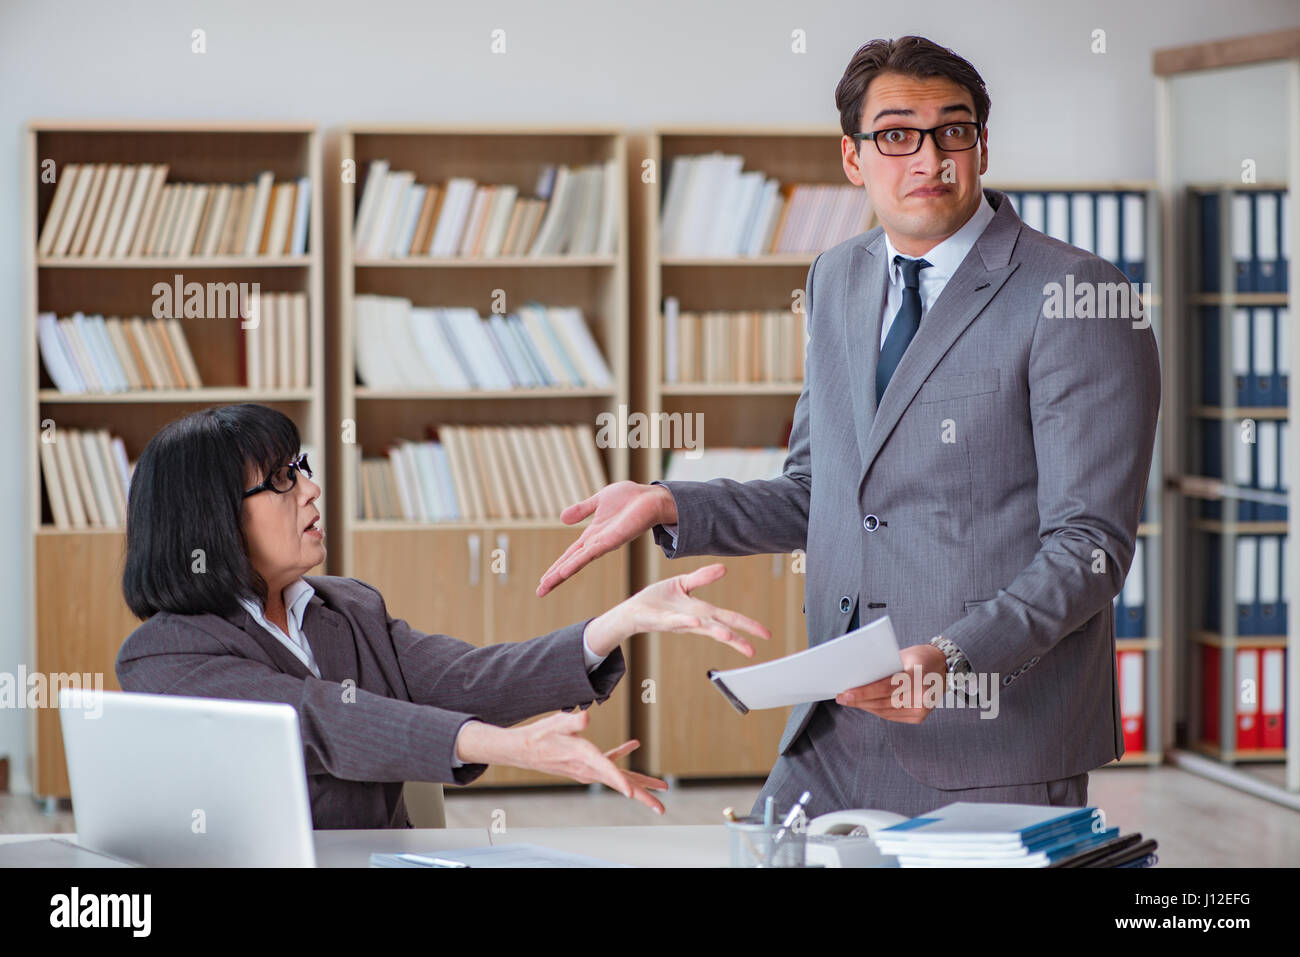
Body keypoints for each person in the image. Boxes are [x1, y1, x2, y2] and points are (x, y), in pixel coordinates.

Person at [536, 35, 1160, 819]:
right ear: (852, 158)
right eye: (897, 135)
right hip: (835, 721)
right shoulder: (838, 276)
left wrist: (951, 659)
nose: (929, 158)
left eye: (953, 131)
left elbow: (1089, 547)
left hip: (988, 731)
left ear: (983, 145)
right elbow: (817, 492)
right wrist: (669, 502)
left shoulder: (1073, 294)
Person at [116, 403, 769, 829]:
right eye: (283, 479)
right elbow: (320, 717)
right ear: (211, 517)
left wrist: (618, 622)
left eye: (303, 468)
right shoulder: (166, 651)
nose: (311, 488)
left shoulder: (347, 606)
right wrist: (515, 748)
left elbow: (466, 679)